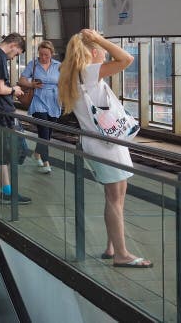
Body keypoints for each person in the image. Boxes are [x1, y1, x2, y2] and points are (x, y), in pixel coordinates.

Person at [59, 29, 152, 268]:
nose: (104, 51)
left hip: (102, 142)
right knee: (114, 198)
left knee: (115, 196)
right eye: (101, 47)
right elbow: (126, 60)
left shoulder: (74, 74)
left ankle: (112, 247)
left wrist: (98, 42)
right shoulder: (88, 72)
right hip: (105, 145)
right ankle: (122, 254)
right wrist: (100, 40)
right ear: (93, 51)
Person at [0, 33, 31, 205]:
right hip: (1, 111)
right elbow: (0, 88)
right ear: (13, 45)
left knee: (3, 151)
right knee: (18, 150)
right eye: (17, 53)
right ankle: (6, 192)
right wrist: (14, 90)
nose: (14, 57)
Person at [19, 40, 61, 173]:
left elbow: (63, 82)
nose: (43, 57)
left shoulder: (59, 66)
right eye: (41, 54)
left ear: (52, 54)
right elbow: (22, 80)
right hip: (38, 99)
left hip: (54, 101)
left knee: (47, 133)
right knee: (43, 129)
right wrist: (31, 85)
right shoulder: (33, 64)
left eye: (46, 55)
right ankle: (46, 162)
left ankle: (37, 153)